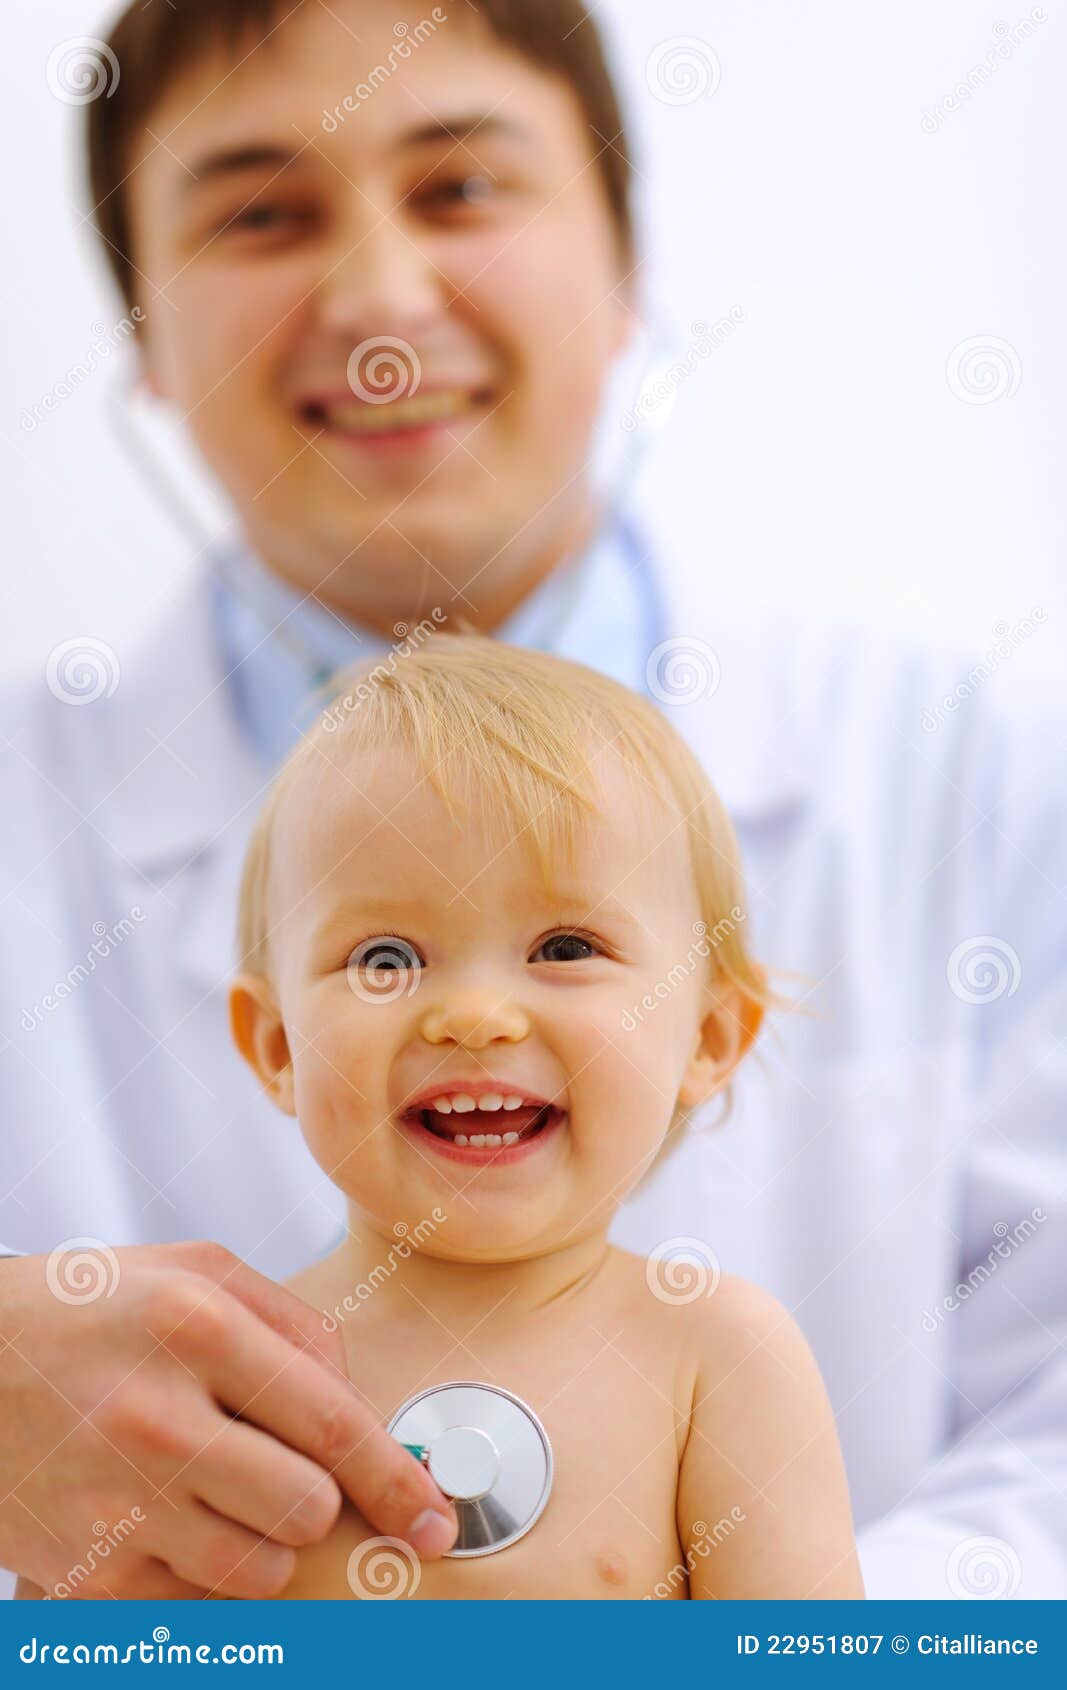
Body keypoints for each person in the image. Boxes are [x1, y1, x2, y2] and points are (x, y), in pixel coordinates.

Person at [1, 0, 1063, 1602]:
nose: (375, 298)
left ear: (623, 265)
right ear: (141, 331)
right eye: (261, 213)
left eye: (462, 187)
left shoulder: (980, 781)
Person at [18, 634, 864, 1599]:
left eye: (564, 947)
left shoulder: (716, 1360)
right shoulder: (211, 1383)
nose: (472, 1015)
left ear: (708, 1037)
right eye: (384, 958)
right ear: (278, 1046)